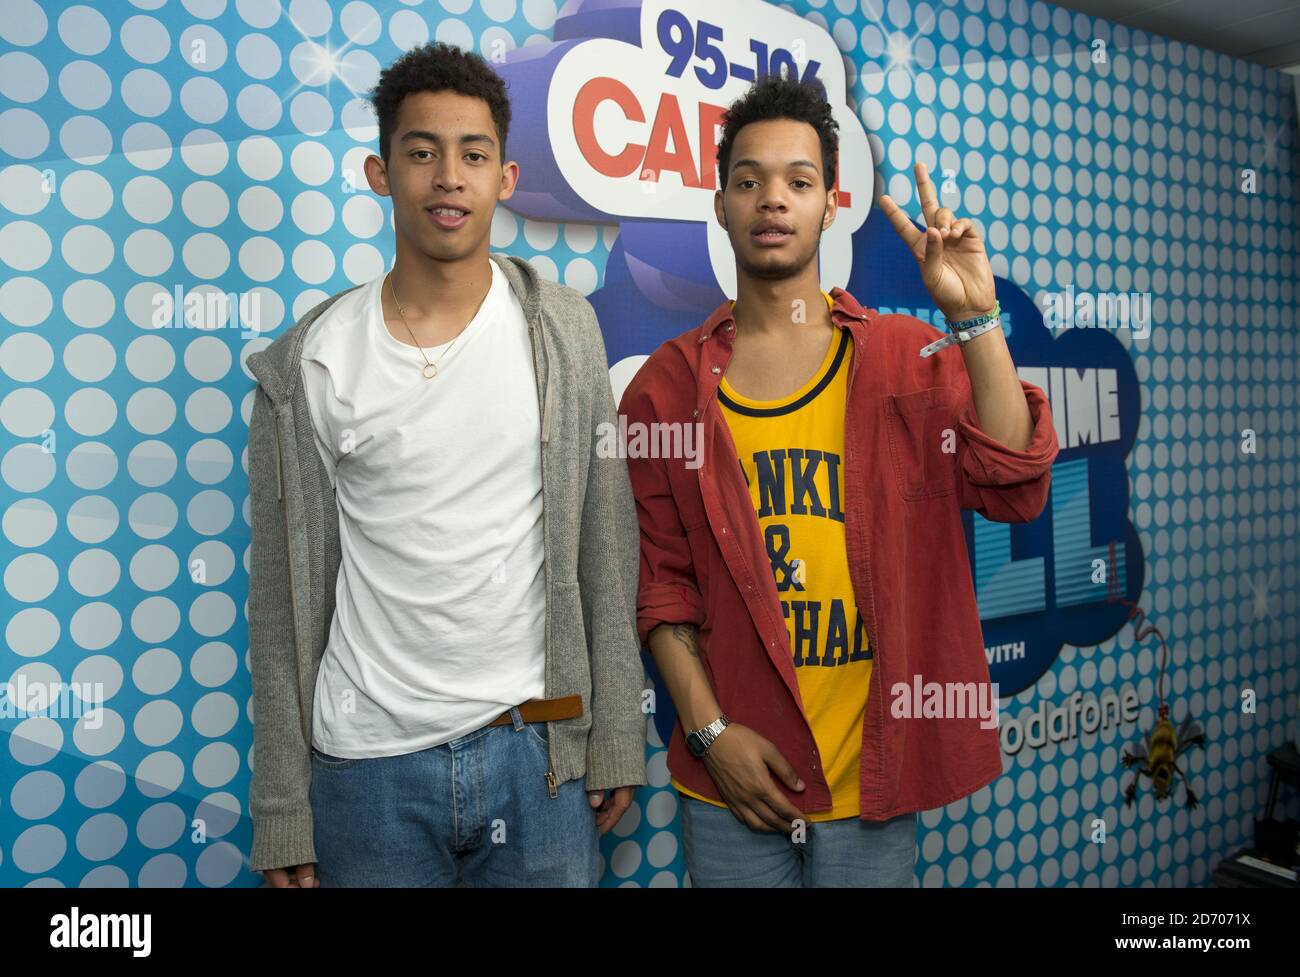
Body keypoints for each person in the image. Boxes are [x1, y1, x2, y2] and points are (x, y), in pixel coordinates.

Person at [621, 74, 1060, 887]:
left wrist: (974, 317)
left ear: (832, 204)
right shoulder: (666, 386)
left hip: (873, 782)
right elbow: (663, 590)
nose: (772, 199)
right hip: (733, 788)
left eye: (799, 180)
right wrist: (713, 735)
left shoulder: (904, 355)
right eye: (748, 180)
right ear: (720, 204)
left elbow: (1013, 475)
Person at [244, 42, 646, 888]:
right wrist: (284, 805)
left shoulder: (563, 331)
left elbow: (606, 545)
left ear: (506, 177)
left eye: (472, 154)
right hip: (367, 770)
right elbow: (281, 599)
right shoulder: (310, 363)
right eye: (420, 152)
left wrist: (613, 731)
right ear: (379, 172)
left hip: (538, 753)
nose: (447, 176)